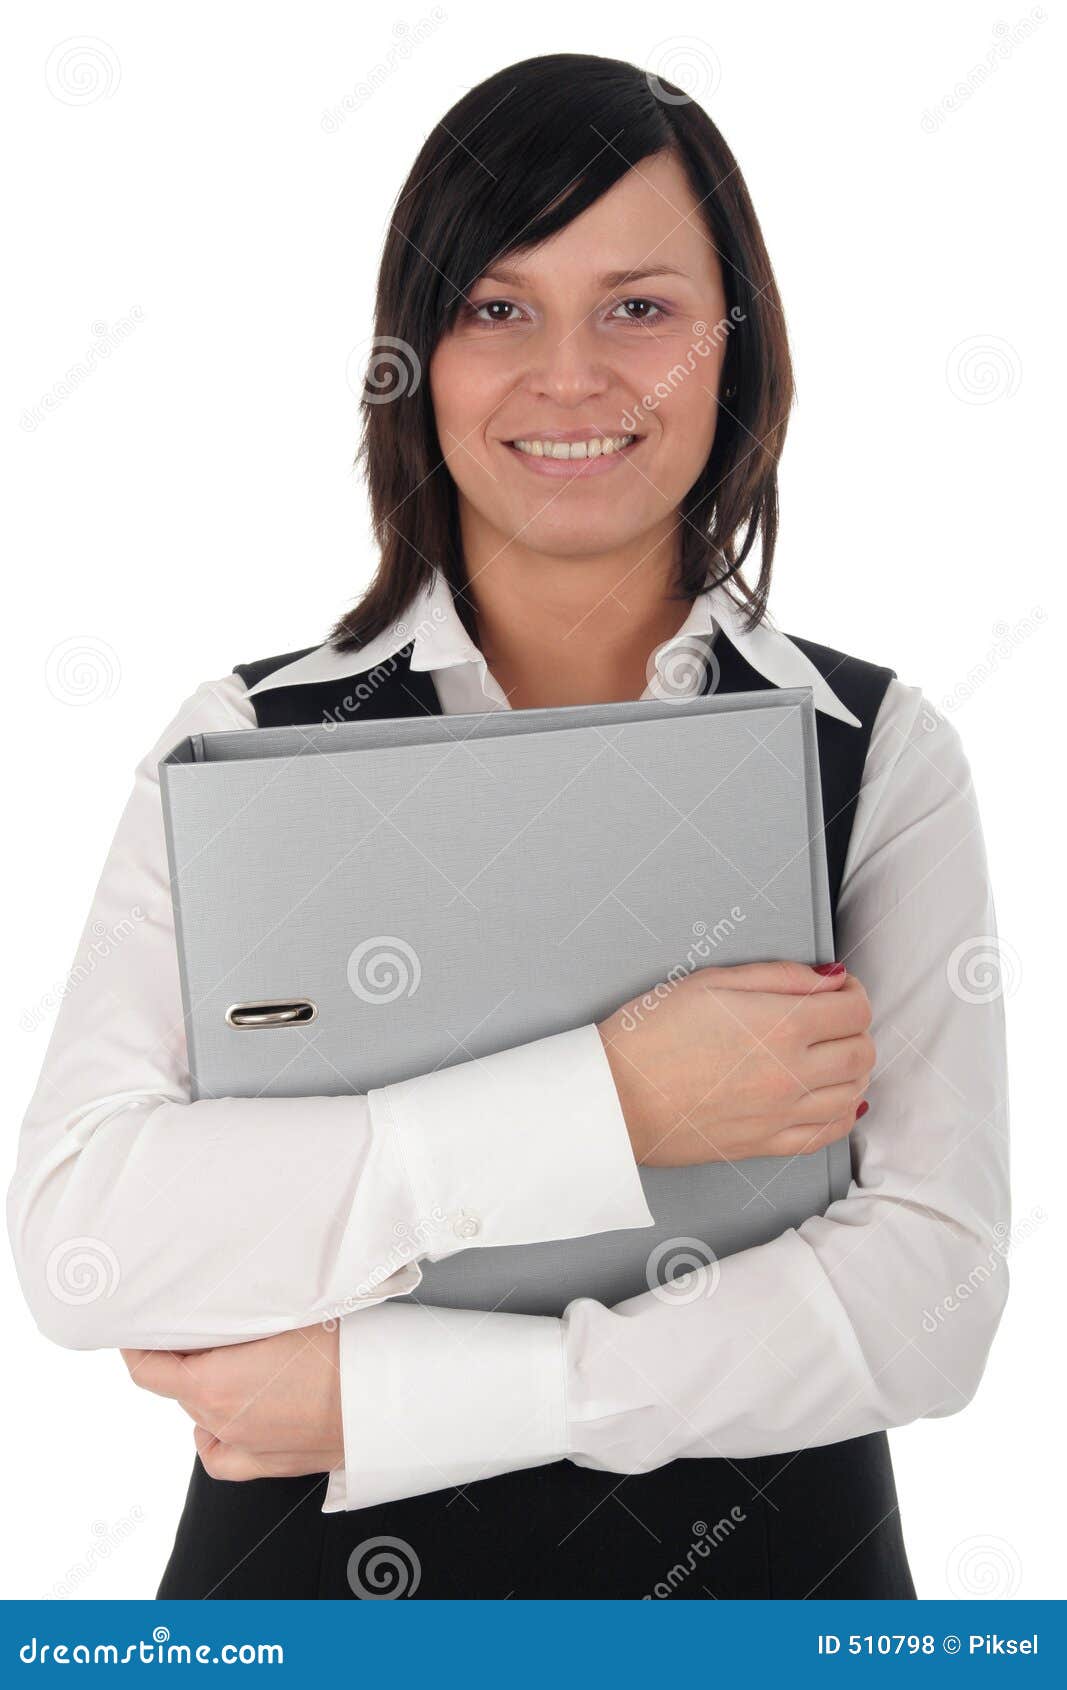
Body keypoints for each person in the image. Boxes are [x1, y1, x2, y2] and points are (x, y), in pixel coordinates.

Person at [7, 52, 1009, 1600]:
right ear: (415, 358)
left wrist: (398, 1397)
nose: (569, 376)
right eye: (496, 308)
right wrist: (616, 1102)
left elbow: (934, 1295)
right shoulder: (240, 747)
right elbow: (83, 1237)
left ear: (734, 343)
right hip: (313, 1611)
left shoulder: (871, 755)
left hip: (765, 1602)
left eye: (640, 307)